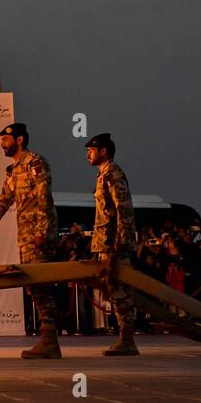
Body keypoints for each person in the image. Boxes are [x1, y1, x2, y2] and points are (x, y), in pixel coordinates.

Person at [0, 122, 61, 359]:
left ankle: (50, 341)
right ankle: (48, 340)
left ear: (19, 140)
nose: (2, 144)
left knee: (41, 285)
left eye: (6, 140)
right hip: (26, 237)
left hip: (38, 236)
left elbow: (44, 197)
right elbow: (2, 203)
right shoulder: (13, 172)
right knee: (34, 286)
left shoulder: (35, 163)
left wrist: (43, 230)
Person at [85, 133, 139, 356]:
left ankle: (127, 339)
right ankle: (124, 337)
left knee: (119, 291)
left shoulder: (113, 173)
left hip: (113, 245)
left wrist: (119, 245)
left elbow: (123, 210)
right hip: (104, 244)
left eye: (91, 150)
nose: (88, 154)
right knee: (113, 290)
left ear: (104, 151)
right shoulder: (103, 175)